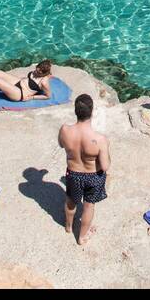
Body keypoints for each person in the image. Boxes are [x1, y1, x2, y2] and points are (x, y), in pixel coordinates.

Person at [58, 94, 110, 245]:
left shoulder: (64, 130)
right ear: (92, 112)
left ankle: (68, 227)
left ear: (75, 111)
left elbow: (62, 145)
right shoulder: (100, 139)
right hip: (93, 176)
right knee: (88, 206)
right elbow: (105, 166)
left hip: (73, 173)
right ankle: (81, 237)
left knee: (70, 202)